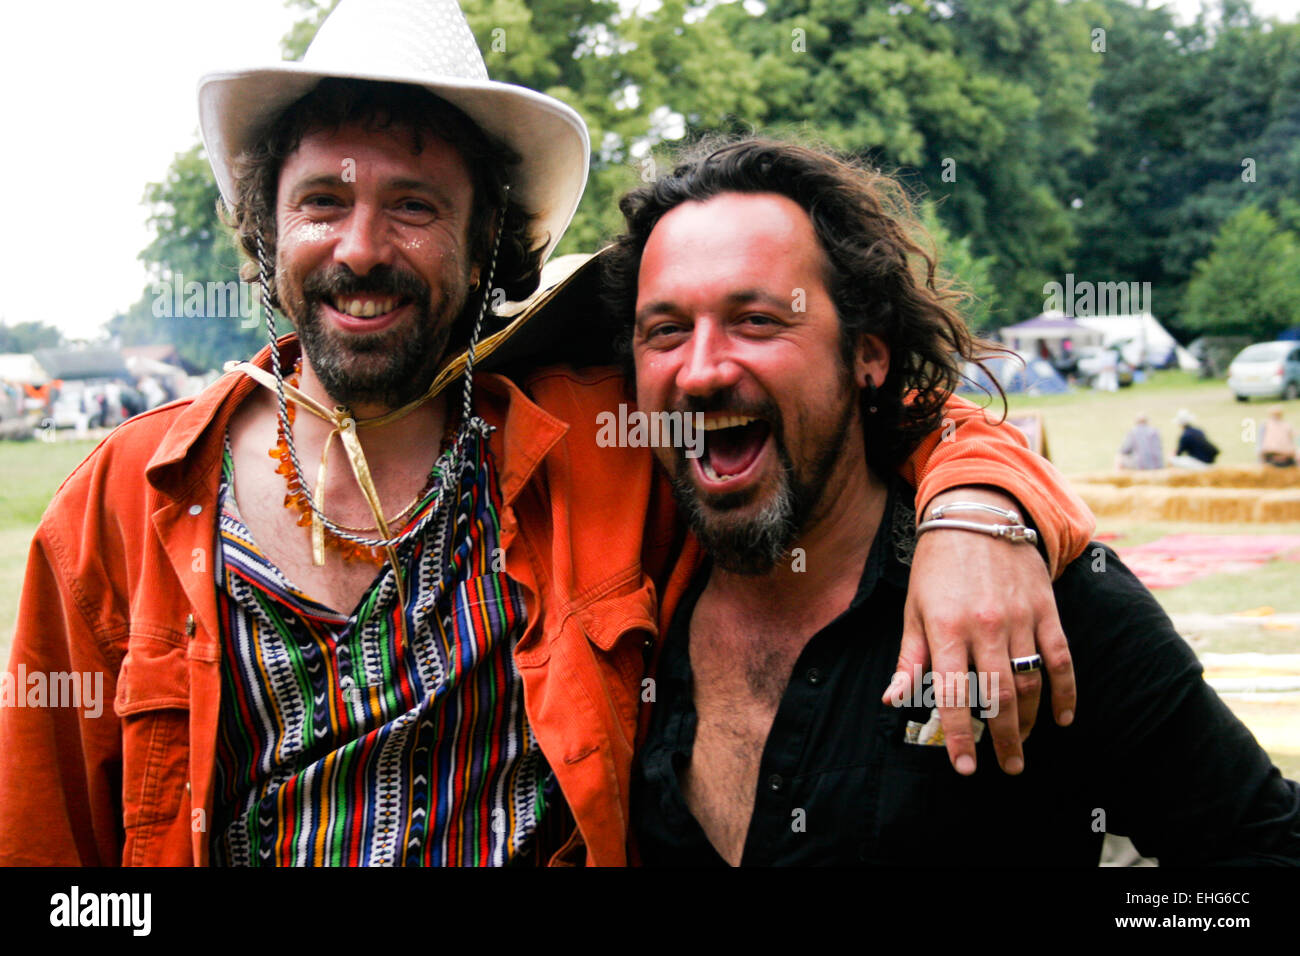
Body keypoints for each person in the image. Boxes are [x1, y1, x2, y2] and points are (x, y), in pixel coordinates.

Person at [0, 0, 1094, 867]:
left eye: (415, 205)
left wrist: (977, 511)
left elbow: (854, 411)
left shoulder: (598, 442)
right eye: (321, 201)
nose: (361, 247)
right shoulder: (123, 504)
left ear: (489, 245)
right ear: (266, 225)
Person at [615, 137, 1300, 866]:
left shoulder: (1039, 603)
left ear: (868, 355)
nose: (699, 371)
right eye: (666, 331)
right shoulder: (615, 605)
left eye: (756, 320)